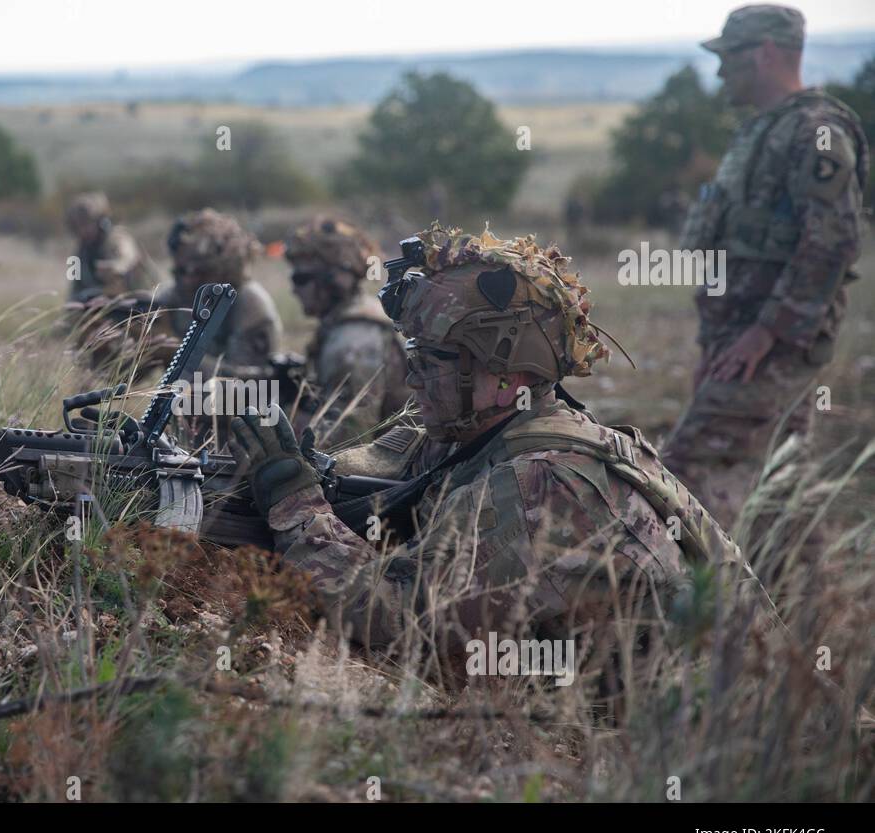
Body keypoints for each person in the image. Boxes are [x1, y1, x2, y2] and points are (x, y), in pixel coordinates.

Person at [229, 225, 757, 680]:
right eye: (413, 357)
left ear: (506, 377)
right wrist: (297, 472)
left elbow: (402, 620)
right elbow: (386, 460)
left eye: (431, 361)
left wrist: (296, 505)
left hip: (676, 730)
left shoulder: (541, 482)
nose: (412, 378)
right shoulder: (483, 432)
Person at [664, 4, 868, 528]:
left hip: (773, 346)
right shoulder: (761, 131)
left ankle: (665, 583)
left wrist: (763, 333)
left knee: (680, 474)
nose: (719, 71)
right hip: (739, 340)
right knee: (779, 487)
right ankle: (797, 581)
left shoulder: (817, 133)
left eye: (729, 56)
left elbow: (833, 242)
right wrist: (715, 343)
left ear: (766, 53)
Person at [284, 216, 410, 442]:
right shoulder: (348, 320)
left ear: (331, 280)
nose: (294, 289)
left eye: (301, 279)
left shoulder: (352, 342)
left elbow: (351, 437)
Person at [159, 208, 282, 373]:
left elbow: (250, 382)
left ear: (227, 271)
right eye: (180, 271)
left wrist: (176, 353)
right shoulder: (171, 298)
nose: (188, 281)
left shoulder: (248, 303)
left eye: (201, 272)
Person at [64, 192, 160, 303]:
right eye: (77, 226)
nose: (82, 230)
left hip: (141, 302)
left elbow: (127, 257)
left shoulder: (117, 238)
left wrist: (116, 267)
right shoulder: (80, 254)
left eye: (86, 223)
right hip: (107, 305)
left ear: (100, 221)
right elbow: (74, 291)